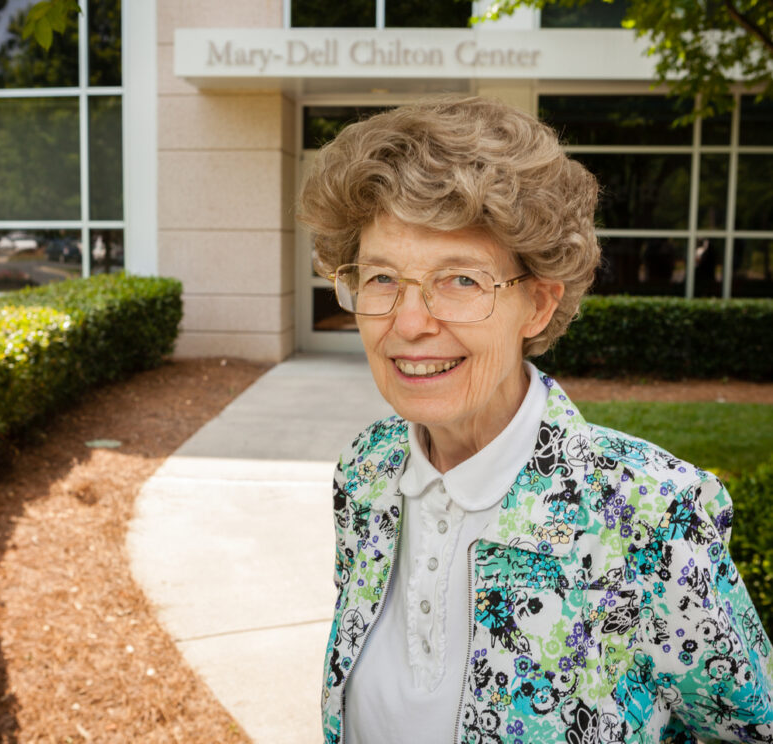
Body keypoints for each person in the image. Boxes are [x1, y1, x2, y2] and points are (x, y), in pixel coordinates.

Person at [297, 96, 773, 744]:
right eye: (382, 277)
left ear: (540, 304)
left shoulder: (652, 517)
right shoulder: (367, 471)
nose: (408, 324)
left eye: (460, 280)